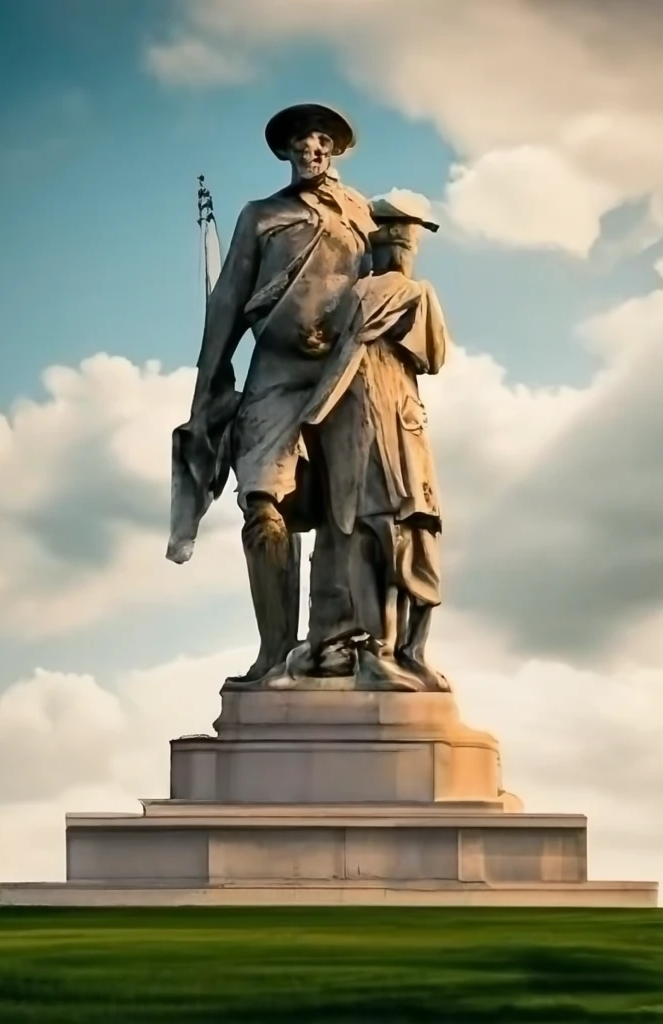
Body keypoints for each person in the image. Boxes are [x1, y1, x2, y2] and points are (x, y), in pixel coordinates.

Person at [170, 103, 377, 686]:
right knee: (263, 507)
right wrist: (205, 390)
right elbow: (227, 302)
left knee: (350, 512)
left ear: (333, 150)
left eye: (322, 140)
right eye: (301, 140)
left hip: (346, 374)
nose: (312, 148)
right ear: (286, 150)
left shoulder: (363, 214)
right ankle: (275, 654)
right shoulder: (262, 215)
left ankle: (335, 645)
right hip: (277, 374)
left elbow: (391, 287)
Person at [293, 191, 449, 690]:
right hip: (372, 421)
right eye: (407, 233)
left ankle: (405, 650)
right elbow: (435, 351)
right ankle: (383, 650)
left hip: (398, 422)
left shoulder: (369, 296)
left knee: (404, 533)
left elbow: (431, 355)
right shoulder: (397, 293)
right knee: (376, 532)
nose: (411, 244)